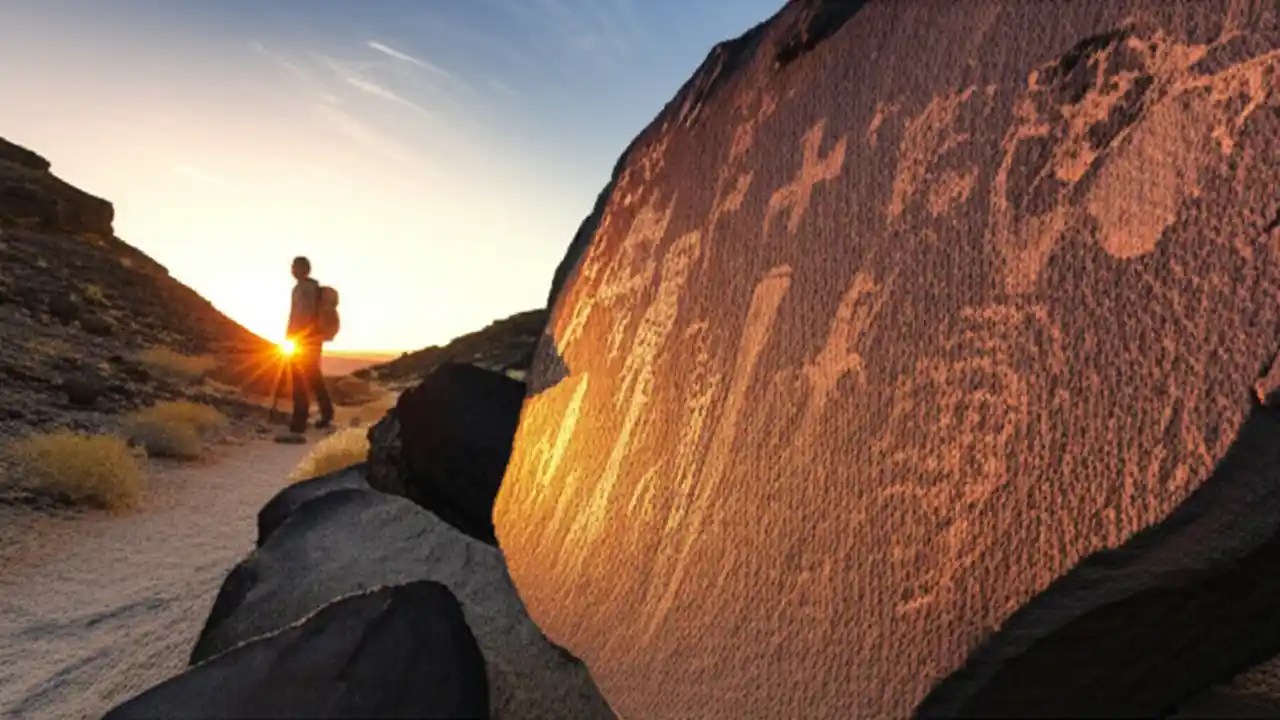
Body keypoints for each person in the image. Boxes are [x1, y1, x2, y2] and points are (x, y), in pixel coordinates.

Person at [285, 256, 334, 434]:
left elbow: (300, 315)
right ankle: (326, 412)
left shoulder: (303, 290)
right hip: (312, 340)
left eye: (294, 267)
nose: (292, 269)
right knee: (313, 376)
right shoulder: (310, 288)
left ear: (301, 269)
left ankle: (300, 418)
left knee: (299, 378)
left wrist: (292, 335)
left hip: (304, 341)